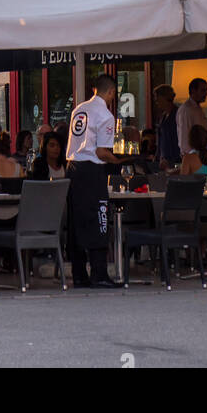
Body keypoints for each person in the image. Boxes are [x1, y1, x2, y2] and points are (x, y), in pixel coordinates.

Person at [66, 74, 126, 289]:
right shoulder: (105, 115)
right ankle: (99, 273)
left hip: (72, 168)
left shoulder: (79, 109)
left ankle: (79, 273)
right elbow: (101, 152)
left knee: (77, 222)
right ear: (111, 92)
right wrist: (117, 159)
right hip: (91, 170)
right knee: (99, 217)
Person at [175, 79, 207, 165]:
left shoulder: (197, 109)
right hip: (193, 158)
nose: (206, 94)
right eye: (203, 90)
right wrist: (188, 158)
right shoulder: (186, 110)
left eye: (206, 90)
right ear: (193, 91)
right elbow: (184, 138)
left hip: (202, 156)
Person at [153, 84, 180, 167]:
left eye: (157, 99)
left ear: (164, 98)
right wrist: (157, 156)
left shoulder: (177, 114)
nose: (156, 101)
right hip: (163, 160)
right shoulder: (163, 116)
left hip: (174, 159)